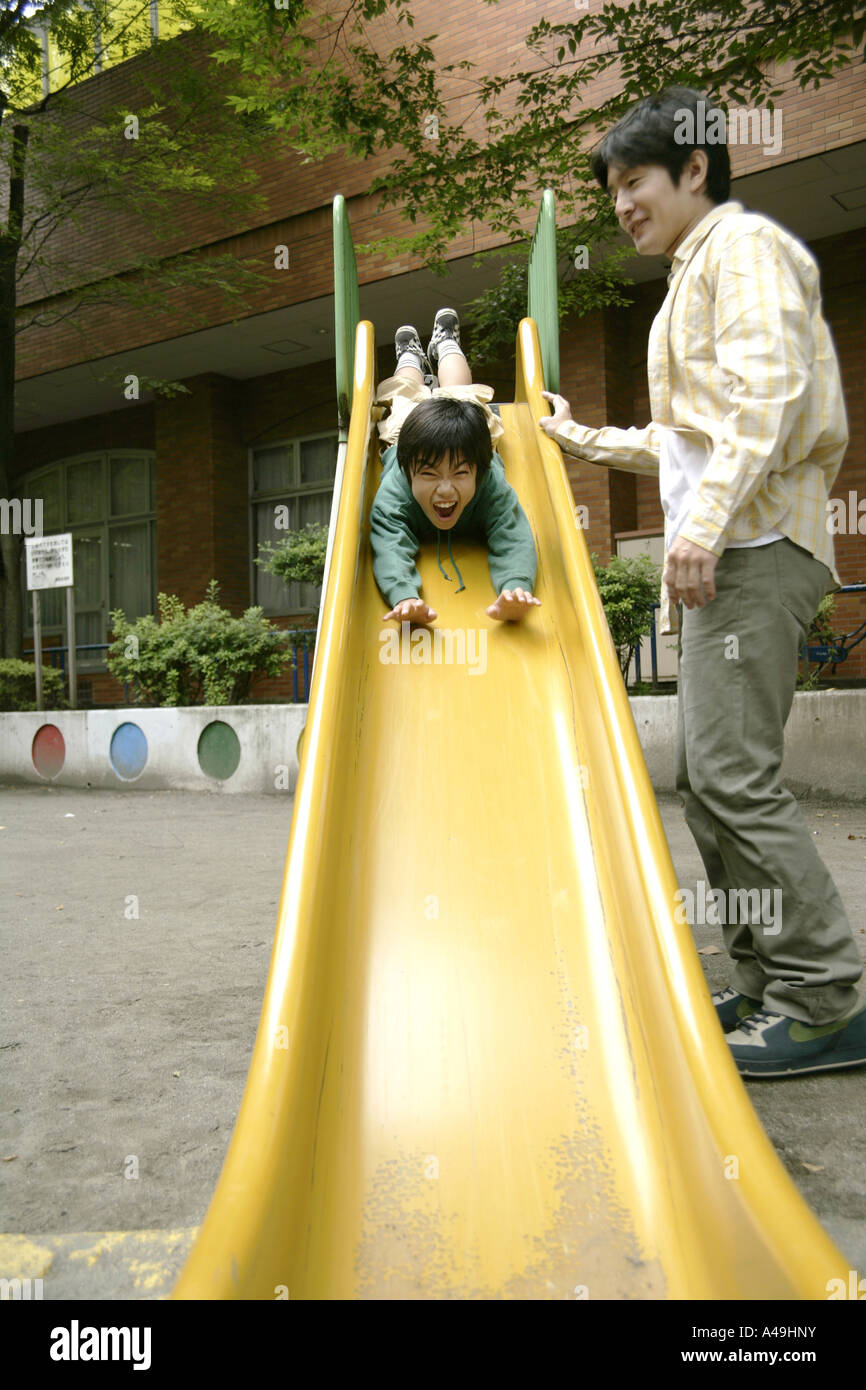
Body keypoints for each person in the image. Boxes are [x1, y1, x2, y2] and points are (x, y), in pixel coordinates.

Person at [539, 87, 865, 1077]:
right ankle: (768, 983)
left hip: (758, 549)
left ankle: (823, 998)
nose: (620, 203)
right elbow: (688, 443)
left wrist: (704, 528)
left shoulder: (742, 250)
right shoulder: (691, 275)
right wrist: (574, 433)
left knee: (732, 775)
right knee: (705, 785)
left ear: (691, 168)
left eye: (633, 179)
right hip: (730, 553)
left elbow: (768, 404)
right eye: (609, 190)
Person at [371, 308, 541, 625]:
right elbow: (389, 542)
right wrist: (404, 595)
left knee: (461, 395)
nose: (446, 489)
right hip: (407, 433)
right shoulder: (396, 490)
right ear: (409, 472)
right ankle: (410, 357)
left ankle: (445, 342)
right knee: (404, 395)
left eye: (460, 473)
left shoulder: (490, 482)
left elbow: (514, 535)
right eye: (430, 475)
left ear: (478, 467)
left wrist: (516, 586)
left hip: (461, 433)